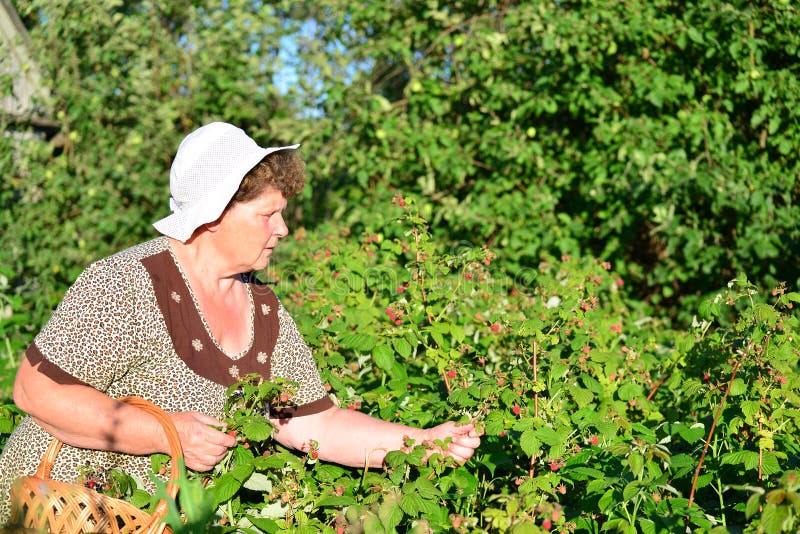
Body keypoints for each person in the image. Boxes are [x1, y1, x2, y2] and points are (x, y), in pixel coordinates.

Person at [0, 122, 481, 522]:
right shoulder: (127, 284)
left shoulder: (262, 308)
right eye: (268, 214)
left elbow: (316, 423)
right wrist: (166, 432)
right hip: (56, 514)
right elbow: (34, 392)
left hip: (151, 522)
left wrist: (422, 442)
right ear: (215, 213)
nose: (283, 229)